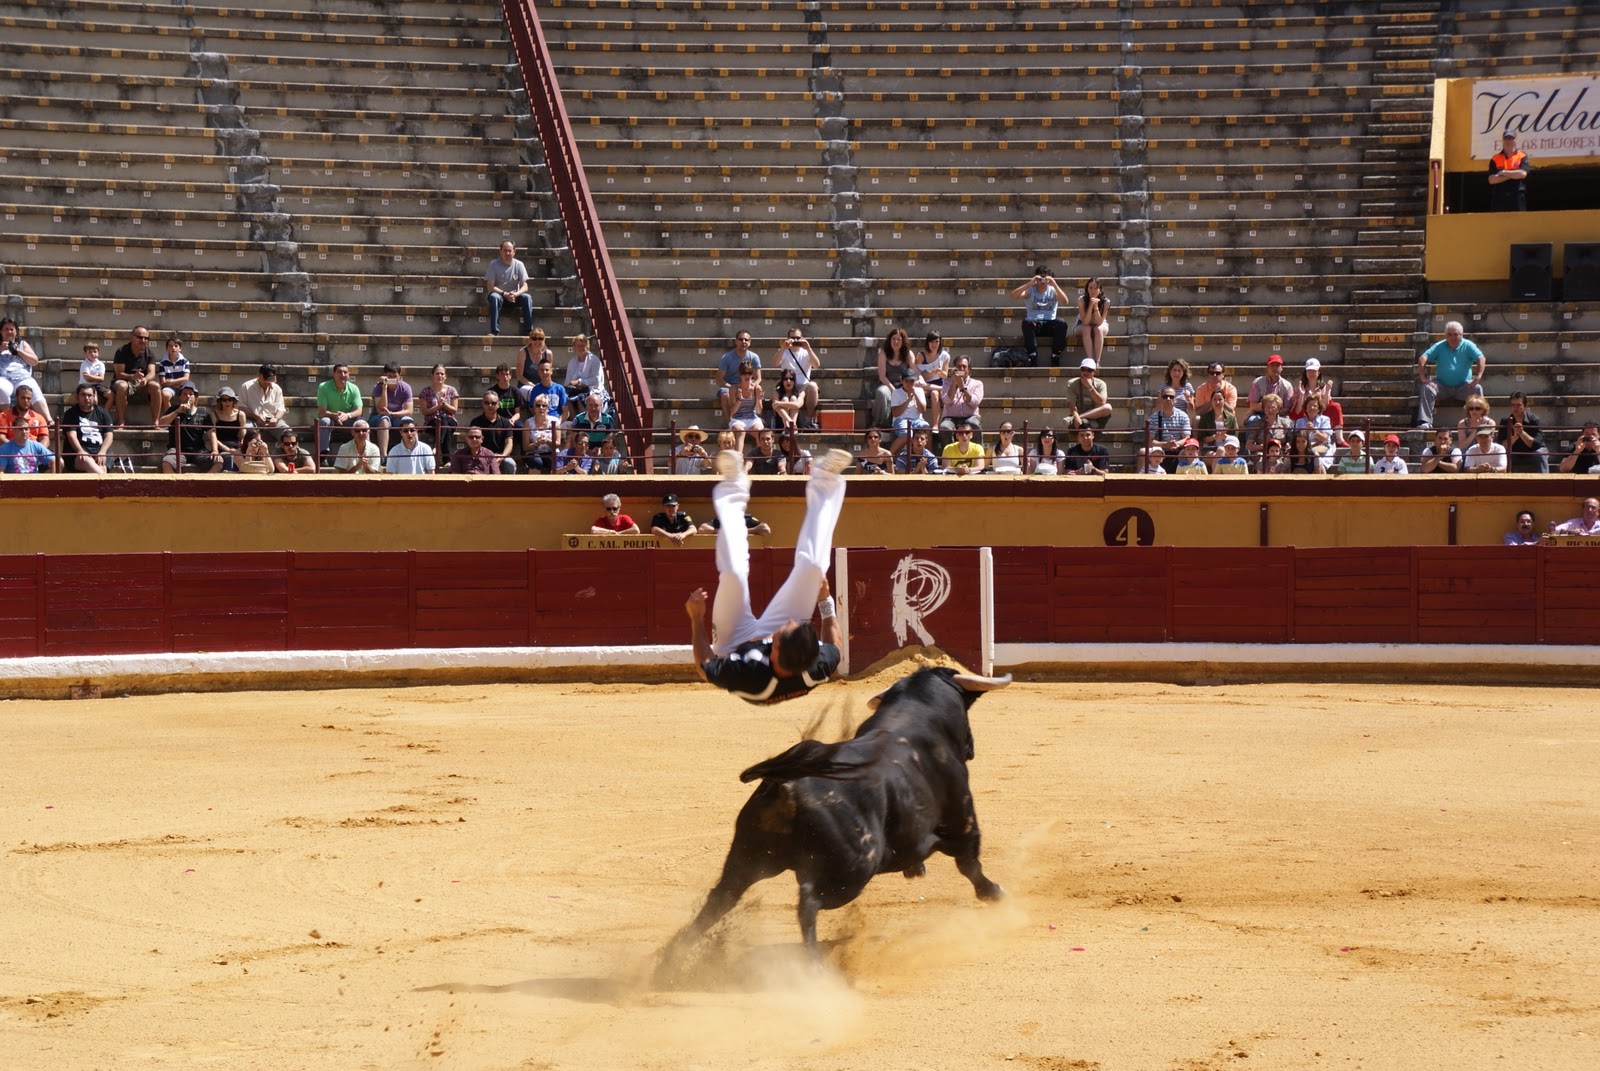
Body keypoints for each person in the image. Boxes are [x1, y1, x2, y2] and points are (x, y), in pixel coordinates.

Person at [684, 447, 852, 704]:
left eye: (786, 628)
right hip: (785, 653)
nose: (790, 621)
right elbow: (837, 650)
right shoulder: (815, 666)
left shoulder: (745, 675)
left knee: (733, 573)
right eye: (795, 625)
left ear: (773, 650)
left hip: (733, 644)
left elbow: (703, 668)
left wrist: (696, 619)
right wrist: (825, 601)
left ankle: (733, 485)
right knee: (814, 567)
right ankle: (825, 478)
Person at [1415, 322, 1485, 430]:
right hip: (1442, 386)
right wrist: (1423, 378)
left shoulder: (1468, 345)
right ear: (1446, 335)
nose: (1452, 337)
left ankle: (1480, 421)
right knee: (1426, 388)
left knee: (1477, 388)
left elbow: (1481, 358)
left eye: (1456, 334)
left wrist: (1478, 377)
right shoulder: (1440, 346)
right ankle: (1425, 422)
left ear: (1461, 335)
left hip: (1463, 386)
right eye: (1449, 334)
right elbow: (1423, 358)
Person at [1010, 267, 1070, 366]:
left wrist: (1054, 284)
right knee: (1027, 322)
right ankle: (1032, 354)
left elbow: (1065, 301)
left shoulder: (1053, 290)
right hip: (1035, 323)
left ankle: (1055, 355)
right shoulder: (1030, 290)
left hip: (1050, 324)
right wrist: (1029, 283)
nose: (1042, 280)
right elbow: (1014, 296)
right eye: (1040, 277)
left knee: (1061, 323)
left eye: (1045, 277)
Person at [158, 383, 221, 473]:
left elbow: (212, 432)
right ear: (179, 397)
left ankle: (203, 485)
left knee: (218, 462)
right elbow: (161, 424)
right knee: (166, 463)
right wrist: (177, 412)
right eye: (184, 394)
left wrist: (215, 450)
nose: (188, 396)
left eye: (191, 394)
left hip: (198, 450)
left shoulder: (203, 413)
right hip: (177, 449)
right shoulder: (173, 409)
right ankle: (176, 485)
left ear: (195, 397)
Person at [111, 325, 162, 426]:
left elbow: (152, 372)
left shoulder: (149, 353)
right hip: (125, 381)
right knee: (122, 386)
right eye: (140, 337)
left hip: (141, 383)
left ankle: (155, 423)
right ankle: (121, 421)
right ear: (132, 337)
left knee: (156, 386)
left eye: (146, 338)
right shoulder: (121, 351)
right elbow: (119, 374)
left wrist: (146, 379)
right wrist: (132, 377)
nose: (143, 340)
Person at [59, 384, 115, 474]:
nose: (87, 398)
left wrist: (102, 452)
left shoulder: (103, 413)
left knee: (102, 467)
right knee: (88, 462)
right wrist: (80, 451)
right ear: (77, 397)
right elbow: (71, 436)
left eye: (89, 395)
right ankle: (106, 484)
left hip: (99, 450)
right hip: (78, 452)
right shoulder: (71, 413)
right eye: (83, 395)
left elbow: (109, 435)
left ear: (94, 397)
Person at [482, 239, 534, 336]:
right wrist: (504, 294)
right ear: (500, 251)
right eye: (505, 250)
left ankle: (529, 331)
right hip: (500, 296)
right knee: (494, 297)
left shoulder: (519, 265)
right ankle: (494, 331)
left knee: (527, 298)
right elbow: (490, 286)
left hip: (514, 297)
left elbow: (525, 286)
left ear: (514, 252)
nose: (507, 253)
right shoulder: (493, 264)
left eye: (510, 250)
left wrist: (516, 294)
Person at [0, 318, 48, 421]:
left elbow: (34, 361)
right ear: (1, 331)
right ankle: (5, 421)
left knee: (33, 389)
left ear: (16, 331)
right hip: (3, 377)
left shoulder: (22, 344)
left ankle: (49, 420)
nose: (9, 332)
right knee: (1, 389)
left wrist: (18, 351)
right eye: (6, 329)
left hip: (22, 378)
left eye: (11, 329)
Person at [775, 328, 821, 428]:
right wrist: (783, 348)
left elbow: (817, 365)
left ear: (802, 338)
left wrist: (808, 348)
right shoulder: (784, 351)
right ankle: (788, 425)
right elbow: (775, 363)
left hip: (803, 385)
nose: (795, 340)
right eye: (792, 338)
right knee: (788, 398)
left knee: (813, 386)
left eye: (798, 338)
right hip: (788, 384)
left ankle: (808, 420)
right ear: (788, 338)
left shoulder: (806, 352)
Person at [316, 363, 365, 457]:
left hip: (347, 420)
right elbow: (322, 411)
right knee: (324, 421)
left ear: (348, 375)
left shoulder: (354, 388)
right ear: (333, 374)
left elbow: (359, 410)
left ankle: (366, 452)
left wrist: (347, 415)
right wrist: (335, 415)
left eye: (345, 372)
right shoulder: (323, 387)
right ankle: (322, 455)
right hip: (331, 420)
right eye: (339, 372)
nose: (342, 375)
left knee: (362, 423)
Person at [1497, 392, 1548, 474]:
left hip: (1532, 452)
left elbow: (1536, 444)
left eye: (1518, 405)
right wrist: (1515, 437)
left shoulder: (1534, 420)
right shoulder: (1505, 421)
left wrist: (1522, 433)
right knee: (1503, 455)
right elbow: (1502, 445)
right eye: (1513, 405)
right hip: (1514, 453)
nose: (1515, 408)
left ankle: (1545, 482)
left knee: (1540, 453)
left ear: (1525, 406)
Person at [886, 365, 931, 457]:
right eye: (907, 381)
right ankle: (888, 456)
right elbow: (895, 413)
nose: (910, 383)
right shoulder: (896, 392)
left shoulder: (920, 391)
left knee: (927, 429)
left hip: (917, 420)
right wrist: (908, 400)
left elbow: (922, 410)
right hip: (901, 420)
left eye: (912, 381)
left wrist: (915, 395)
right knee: (907, 434)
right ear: (902, 381)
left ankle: (928, 458)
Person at [369, 362, 414, 453]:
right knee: (384, 420)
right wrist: (384, 388)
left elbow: (409, 410)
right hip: (377, 417)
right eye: (389, 376)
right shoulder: (378, 387)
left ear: (399, 375)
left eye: (395, 376)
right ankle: (383, 455)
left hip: (396, 416)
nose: (392, 378)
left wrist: (392, 414)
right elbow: (381, 409)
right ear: (385, 375)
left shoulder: (405, 387)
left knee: (408, 422)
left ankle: (412, 452)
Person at [872, 327, 913, 426]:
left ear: (903, 341)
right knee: (882, 393)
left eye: (899, 339)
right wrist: (893, 390)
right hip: (887, 384)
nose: (896, 341)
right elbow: (882, 376)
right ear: (889, 340)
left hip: (903, 385)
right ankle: (880, 423)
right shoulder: (884, 353)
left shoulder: (908, 354)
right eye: (893, 339)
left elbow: (914, 371)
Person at [470, 391, 518, 474]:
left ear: (498, 405)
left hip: (500, 456)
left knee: (510, 464)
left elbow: (509, 444)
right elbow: (472, 443)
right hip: (481, 456)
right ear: (483, 404)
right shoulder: (475, 422)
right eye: (487, 403)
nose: (490, 405)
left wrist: (501, 457)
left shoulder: (506, 423)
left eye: (493, 403)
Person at [716, 331, 760, 421]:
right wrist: (733, 387)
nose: (744, 341)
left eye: (746, 340)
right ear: (736, 341)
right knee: (725, 395)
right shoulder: (727, 357)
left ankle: (753, 420)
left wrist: (752, 386)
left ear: (750, 342)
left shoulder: (754, 357)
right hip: (730, 386)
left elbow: (758, 378)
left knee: (759, 391)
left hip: (747, 384)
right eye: (741, 339)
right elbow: (719, 379)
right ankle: (730, 423)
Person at [1147, 387, 1191, 472]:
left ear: (1175, 400)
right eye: (1165, 396)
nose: (1168, 399)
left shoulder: (1183, 416)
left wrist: (1176, 444)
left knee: (1186, 453)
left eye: (1171, 397)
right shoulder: (1154, 417)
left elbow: (1187, 438)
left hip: (1178, 451)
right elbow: (1149, 441)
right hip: (1160, 450)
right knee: (1142, 452)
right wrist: (1165, 445)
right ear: (1161, 399)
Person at [563, 333, 606, 419]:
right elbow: (567, 382)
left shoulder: (594, 360)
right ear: (574, 348)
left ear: (587, 346)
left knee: (580, 398)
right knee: (565, 398)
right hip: (576, 390)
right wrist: (573, 385)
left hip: (593, 390)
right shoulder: (572, 362)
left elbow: (596, 380)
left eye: (583, 345)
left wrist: (580, 382)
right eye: (578, 346)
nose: (581, 348)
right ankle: (576, 423)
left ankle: (584, 424)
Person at [418, 363, 460, 450]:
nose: (439, 376)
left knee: (444, 418)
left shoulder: (452, 390)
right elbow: (424, 412)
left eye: (442, 374)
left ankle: (437, 445)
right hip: (432, 421)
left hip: (450, 420)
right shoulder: (425, 391)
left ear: (445, 376)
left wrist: (445, 405)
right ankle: (447, 460)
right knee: (446, 429)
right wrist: (438, 407)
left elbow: (454, 410)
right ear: (432, 375)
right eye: (437, 373)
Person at [937, 356, 983, 434]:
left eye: (964, 366)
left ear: (969, 370)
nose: (961, 369)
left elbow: (975, 402)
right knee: (945, 427)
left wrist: (962, 387)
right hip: (950, 417)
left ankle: (978, 446)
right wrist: (954, 383)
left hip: (970, 416)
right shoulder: (946, 383)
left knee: (974, 424)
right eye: (958, 366)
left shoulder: (977, 383)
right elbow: (946, 401)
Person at [725, 358, 763, 451]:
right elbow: (732, 412)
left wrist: (758, 399)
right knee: (741, 432)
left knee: (759, 432)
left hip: (752, 418)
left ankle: (762, 461)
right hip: (737, 419)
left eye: (749, 373)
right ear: (739, 374)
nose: (747, 376)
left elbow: (759, 411)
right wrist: (739, 399)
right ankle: (739, 459)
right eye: (744, 373)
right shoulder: (733, 389)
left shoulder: (757, 388)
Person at [239, 363, 288, 432]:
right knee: (247, 429)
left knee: (287, 432)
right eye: (266, 379)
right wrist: (255, 416)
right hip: (252, 420)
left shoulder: (277, 389)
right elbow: (241, 407)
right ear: (259, 375)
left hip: (272, 421)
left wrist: (276, 418)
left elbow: (281, 409)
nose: (268, 383)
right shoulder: (246, 387)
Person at [1488, 130, 1529, 213]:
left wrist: (1503, 173)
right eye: (1506, 138)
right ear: (1502, 141)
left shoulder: (1522, 156)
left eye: (1510, 138)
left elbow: (1523, 174)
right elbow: (1491, 180)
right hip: (1499, 197)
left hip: (1517, 195)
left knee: (1519, 222)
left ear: (1515, 141)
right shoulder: (1495, 159)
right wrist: (1513, 174)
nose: (1508, 141)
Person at [1067, 357, 1113, 429]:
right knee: (1083, 424)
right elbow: (1071, 405)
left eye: (1089, 370)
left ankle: (1078, 418)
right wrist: (1076, 416)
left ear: (1094, 372)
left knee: (1108, 407)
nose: (1085, 372)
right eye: (1083, 369)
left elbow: (1102, 402)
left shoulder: (1101, 384)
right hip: (1079, 418)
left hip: (1096, 416)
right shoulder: (1072, 383)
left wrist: (1090, 387)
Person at [210, 387, 248, 472]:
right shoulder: (214, 415)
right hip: (220, 446)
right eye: (224, 400)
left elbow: (243, 436)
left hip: (236, 446)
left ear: (233, 401)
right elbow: (213, 436)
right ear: (220, 402)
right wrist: (226, 449)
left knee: (240, 456)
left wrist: (240, 448)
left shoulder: (240, 415)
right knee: (227, 456)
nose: (227, 402)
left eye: (230, 399)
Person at [1075, 277, 1110, 367]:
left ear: (1100, 290)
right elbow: (1085, 322)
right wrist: (1090, 306)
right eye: (1090, 288)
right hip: (1082, 324)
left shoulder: (1106, 302)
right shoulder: (1081, 300)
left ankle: (1097, 361)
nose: (1093, 291)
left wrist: (1096, 307)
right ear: (1087, 289)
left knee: (1097, 329)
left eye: (1096, 288)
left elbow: (1099, 322)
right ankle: (1090, 361)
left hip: (1100, 324)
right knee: (1087, 328)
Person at [155, 336, 193, 413]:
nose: (173, 348)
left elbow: (186, 378)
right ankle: (169, 417)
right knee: (165, 395)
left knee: (193, 394)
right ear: (167, 348)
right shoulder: (163, 363)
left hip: (182, 387)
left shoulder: (185, 361)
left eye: (176, 346)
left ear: (180, 348)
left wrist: (171, 382)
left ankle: (189, 416)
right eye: (171, 346)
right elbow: (163, 382)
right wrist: (177, 383)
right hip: (170, 388)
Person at [78, 341, 110, 408]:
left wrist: (91, 377)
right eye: (90, 352)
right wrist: (96, 377)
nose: (93, 354)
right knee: (94, 400)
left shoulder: (101, 364)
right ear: (85, 354)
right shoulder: (84, 364)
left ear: (98, 353)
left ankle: (104, 413)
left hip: (97, 385)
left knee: (111, 395)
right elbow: (87, 379)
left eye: (95, 351)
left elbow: (101, 379)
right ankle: (94, 414)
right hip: (85, 385)